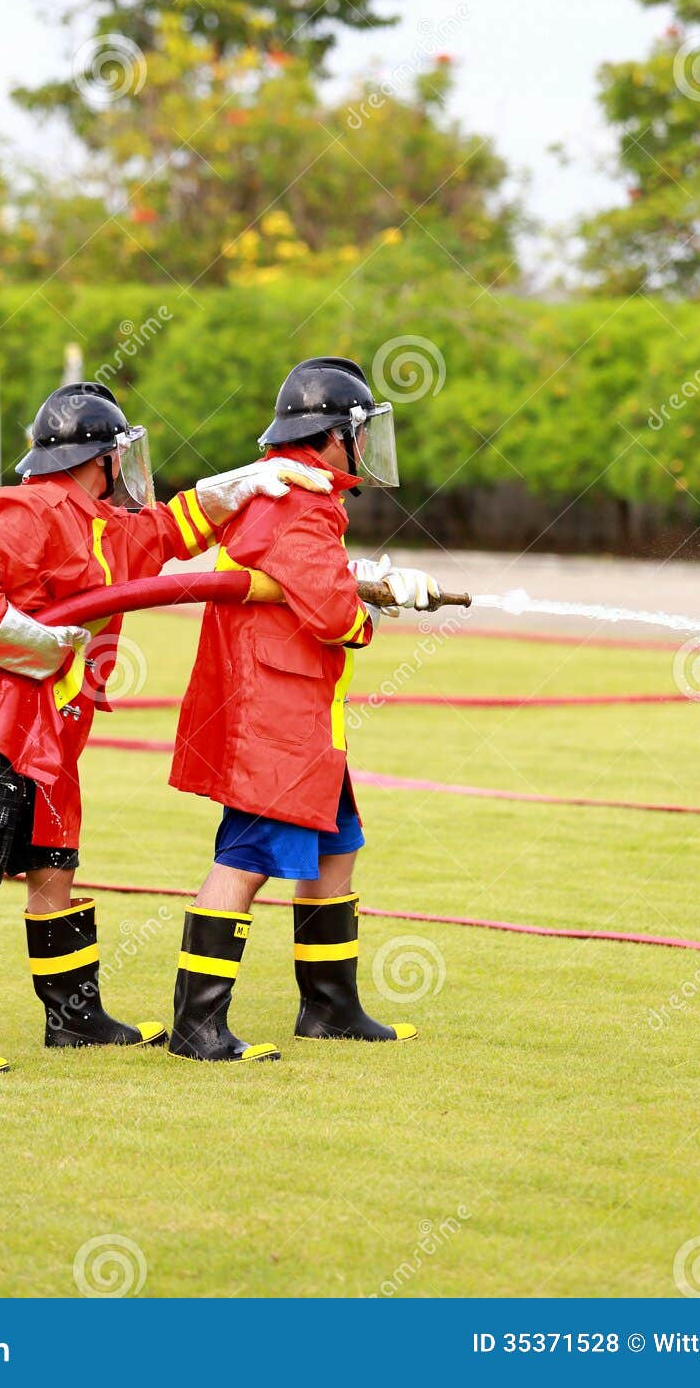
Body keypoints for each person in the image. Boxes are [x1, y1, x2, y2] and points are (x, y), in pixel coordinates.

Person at [0, 381, 331, 1074]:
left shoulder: (99, 522)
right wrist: (50, 642)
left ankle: (74, 1020)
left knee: (52, 869)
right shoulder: (23, 508)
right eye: (119, 454)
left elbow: (172, 527)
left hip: (54, 734)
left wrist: (256, 479)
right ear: (100, 458)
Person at [167, 357, 438, 1062]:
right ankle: (198, 1028)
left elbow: (302, 575)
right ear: (331, 436)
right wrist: (368, 610)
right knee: (245, 859)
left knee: (335, 852)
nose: (366, 448)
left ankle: (329, 1010)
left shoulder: (291, 492)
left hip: (302, 719)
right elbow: (325, 608)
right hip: (275, 721)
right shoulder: (299, 502)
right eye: (359, 433)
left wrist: (370, 581)